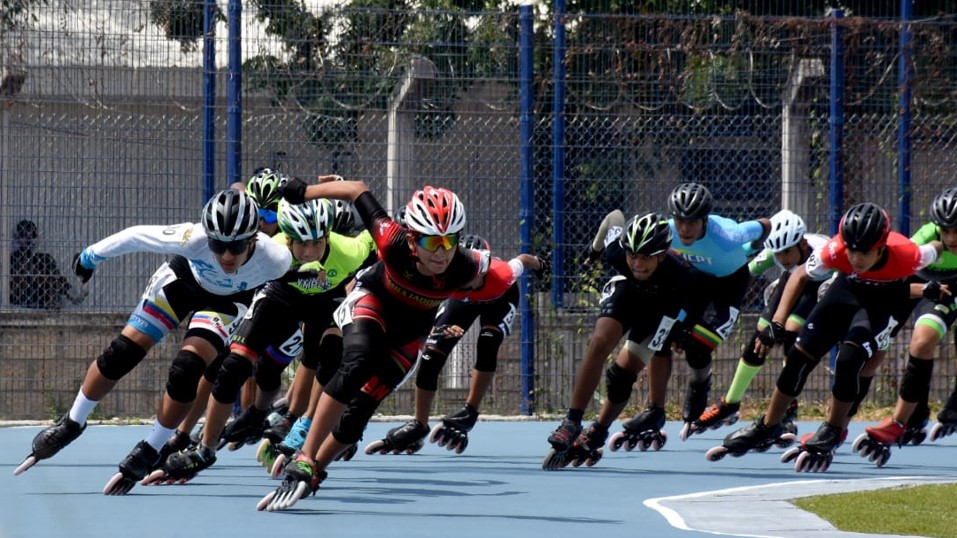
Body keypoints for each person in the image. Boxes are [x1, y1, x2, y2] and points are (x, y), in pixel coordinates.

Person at [257, 178, 543, 511]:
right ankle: (305, 456)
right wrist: (305, 193)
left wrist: (531, 262)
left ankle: (313, 472)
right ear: (412, 238)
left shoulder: (469, 266)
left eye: (449, 241)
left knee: (357, 417)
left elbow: (512, 268)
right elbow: (355, 190)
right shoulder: (391, 239)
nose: (441, 252)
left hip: (410, 333)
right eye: (431, 241)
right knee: (358, 362)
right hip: (372, 302)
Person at [12, 189, 294, 494]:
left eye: (236, 247)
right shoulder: (192, 237)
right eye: (218, 245)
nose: (226, 256)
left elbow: (298, 296)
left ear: (253, 239)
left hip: (226, 303)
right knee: (123, 352)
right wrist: (90, 256)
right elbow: (136, 236)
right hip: (183, 281)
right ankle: (72, 422)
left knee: (186, 369)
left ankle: (151, 447)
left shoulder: (276, 259)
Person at [143, 197, 376, 484]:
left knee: (329, 356)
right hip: (281, 297)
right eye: (299, 243)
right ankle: (206, 449)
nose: (308, 252)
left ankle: (304, 424)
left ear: (328, 235)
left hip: (327, 303)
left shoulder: (350, 250)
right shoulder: (271, 250)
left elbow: (380, 237)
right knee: (232, 368)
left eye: (316, 242)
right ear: (286, 237)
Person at [704, 202, 942, 471]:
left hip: (883, 304)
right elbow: (799, 277)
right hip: (846, 292)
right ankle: (769, 425)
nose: (856, 258)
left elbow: (940, 246)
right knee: (798, 356)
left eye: (864, 251)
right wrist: (778, 321)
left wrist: (930, 287)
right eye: (852, 249)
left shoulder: (909, 254)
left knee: (849, 359)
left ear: (882, 246)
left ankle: (834, 429)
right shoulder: (836, 250)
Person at [852, 189, 957, 466]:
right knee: (921, 341)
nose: (951, 239)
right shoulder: (926, 239)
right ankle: (908, 417)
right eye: (946, 231)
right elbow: (897, 266)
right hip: (942, 284)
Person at [541, 211, 707, 470]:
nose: (638, 264)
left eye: (646, 258)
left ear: (662, 255)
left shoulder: (684, 275)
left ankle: (598, 430)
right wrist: (595, 249)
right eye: (633, 256)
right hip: (627, 292)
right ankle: (572, 421)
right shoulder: (617, 252)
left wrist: (683, 330)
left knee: (621, 375)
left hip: (661, 309)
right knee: (599, 341)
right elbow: (614, 217)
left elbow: (698, 306)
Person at [624, 183, 770, 436]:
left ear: (705, 219)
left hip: (728, 285)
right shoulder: (667, 231)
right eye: (680, 220)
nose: (685, 228)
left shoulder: (728, 234)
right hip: (692, 284)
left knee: (698, 347)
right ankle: (653, 409)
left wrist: (750, 249)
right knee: (665, 336)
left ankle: (700, 384)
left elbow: (766, 224)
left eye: (692, 222)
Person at [684, 209, 830, 439]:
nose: (781, 258)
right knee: (761, 336)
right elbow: (744, 273)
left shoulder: (823, 252)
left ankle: (788, 405)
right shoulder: (778, 254)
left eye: (786, 252)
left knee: (791, 331)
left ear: (802, 244)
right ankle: (730, 403)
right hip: (792, 281)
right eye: (777, 253)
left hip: (820, 285)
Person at [405, 233, 521, 454]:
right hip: (462, 301)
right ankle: (419, 423)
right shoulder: (445, 276)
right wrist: (437, 330)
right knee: (432, 354)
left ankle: (470, 411)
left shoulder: (504, 273)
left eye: (475, 271)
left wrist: (539, 264)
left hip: (501, 298)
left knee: (488, 342)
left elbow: (526, 260)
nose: (469, 277)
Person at [9, 219, 86, 309]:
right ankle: (71, 293)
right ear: (17, 237)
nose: (28, 239)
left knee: (47, 265)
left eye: (31, 236)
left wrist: (38, 275)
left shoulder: (42, 258)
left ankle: (70, 294)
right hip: (21, 296)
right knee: (24, 266)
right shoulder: (11, 259)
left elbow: (55, 278)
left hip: (41, 295)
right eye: (23, 235)